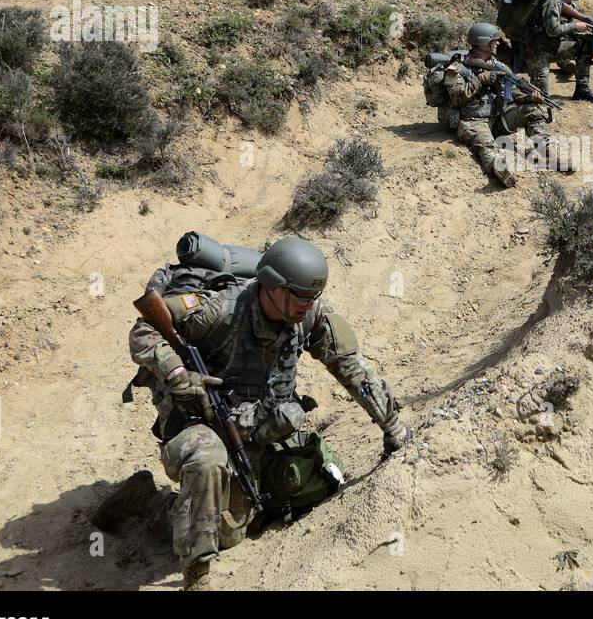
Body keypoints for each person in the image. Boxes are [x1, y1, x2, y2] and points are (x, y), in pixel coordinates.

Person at [124, 237, 410, 588]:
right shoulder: (217, 310)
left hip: (249, 425)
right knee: (208, 460)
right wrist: (176, 373)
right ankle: (196, 578)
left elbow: (350, 367)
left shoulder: (310, 315)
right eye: (300, 297)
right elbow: (144, 330)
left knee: (231, 532)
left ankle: (151, 502)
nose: (308, 306)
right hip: (193, 419)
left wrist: (392, 427)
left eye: (312, 297)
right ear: (272, 287)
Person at [445, 22, 570, 186]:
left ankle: (549, 155)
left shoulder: (498, 65)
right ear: (483, 43)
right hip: (473, 122)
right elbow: (456, 97)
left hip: (498, 119)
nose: (498, 43)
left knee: (533, 110)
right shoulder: (457, 68)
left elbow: (513, 93)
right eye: (494, 40)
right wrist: (479, 80)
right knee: (486, 145)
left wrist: (530, 98)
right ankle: (500, 169)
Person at [523, 0, 593, 104]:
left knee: (586, 44)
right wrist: (576, 26)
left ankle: (582, 89)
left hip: (551, 47)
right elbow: (553, 30)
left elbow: (565, 28)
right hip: (537, 52)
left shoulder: (561, 0)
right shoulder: (553, 2)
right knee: (541, 100)